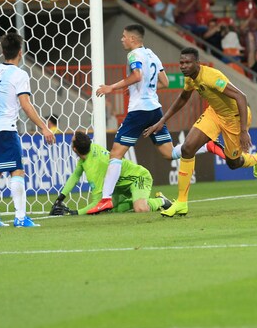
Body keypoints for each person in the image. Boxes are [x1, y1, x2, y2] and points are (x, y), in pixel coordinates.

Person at [89, 25, 224, 214]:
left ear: (133, 40)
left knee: (116, 154)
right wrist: (147, 91)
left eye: (124, 36)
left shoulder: (133, 55)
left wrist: (112, 87)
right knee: (169, 153)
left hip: (139, 111)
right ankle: (207, 146)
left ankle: (105, 199)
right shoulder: (152, 55)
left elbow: (137, 75)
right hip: (155, 110)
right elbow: (165, 82)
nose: (122, 39)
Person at [143, 47, 257, 217]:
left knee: (233, 163)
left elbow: (241, 97)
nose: (183, 66)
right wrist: (162, 121)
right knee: (187, 148)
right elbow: (184, 98)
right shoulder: (190, 78)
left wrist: (244, 131)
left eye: (187, 62)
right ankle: (181, 203)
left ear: (197, 63)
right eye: (181, 62)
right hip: (215, 113)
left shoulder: (211, 77)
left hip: (235, 119)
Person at [0, 32, 55, 228]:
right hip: (5, 128)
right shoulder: (20, 74)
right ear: (20, 52)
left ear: (3, 51)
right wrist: (44, 127)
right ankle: (20, 218)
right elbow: (26, 105)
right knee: (17, 171)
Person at [49, 132, 172, 215]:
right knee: (107, 211)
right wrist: (61, 198)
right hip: (119, 186)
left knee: (140, 209)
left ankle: (161, 201)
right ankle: (135, 201)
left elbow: (97, 203)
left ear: (75, 149)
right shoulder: (91, 149)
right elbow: (75, 176)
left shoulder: (95, 169)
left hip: (137, 177)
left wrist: (74, 212)